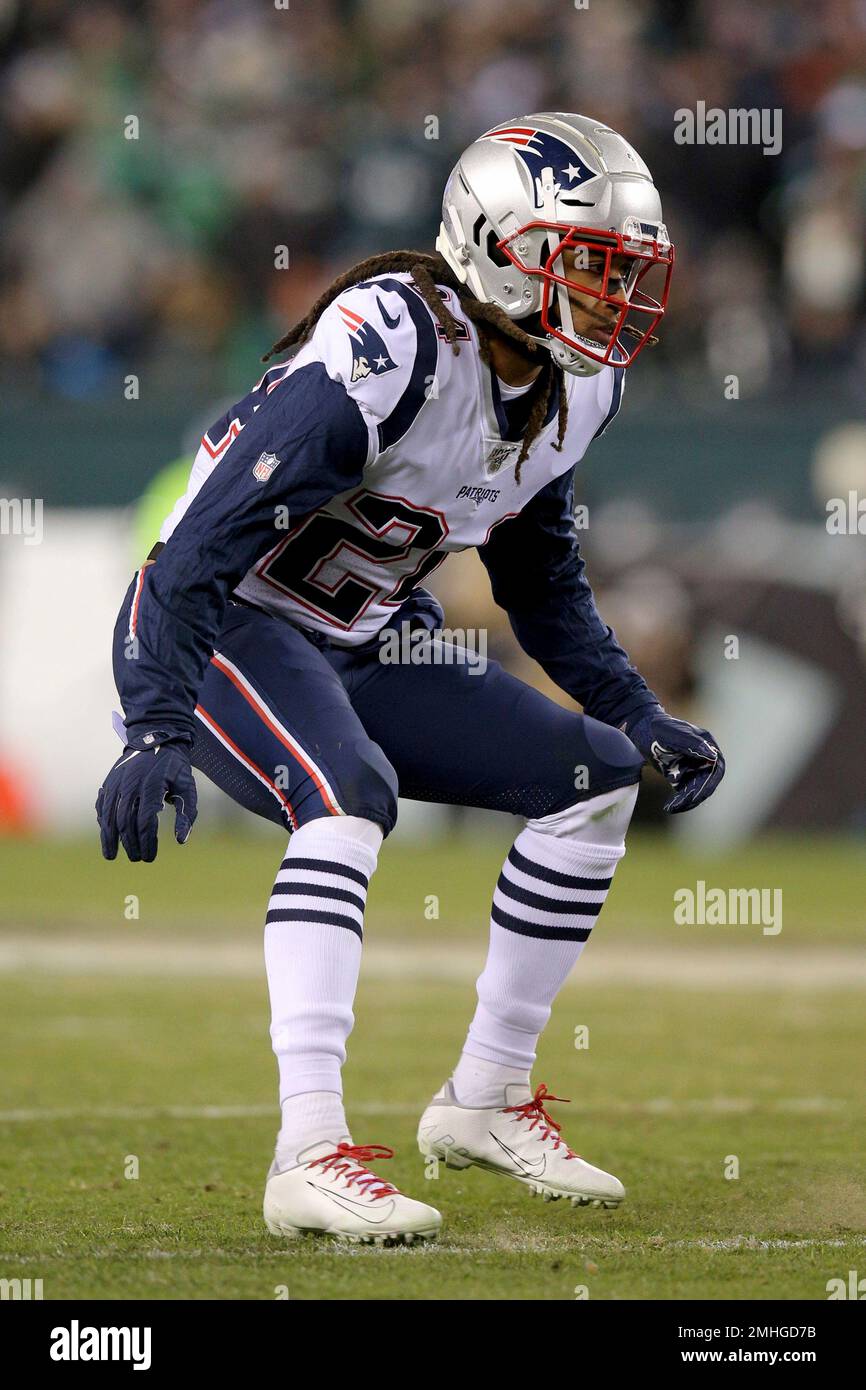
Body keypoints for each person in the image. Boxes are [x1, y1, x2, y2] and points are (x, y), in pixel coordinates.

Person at [96, 113, 725, 1245]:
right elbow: (191, 552)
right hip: (225, 619)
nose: (609, 292)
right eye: (585, 262)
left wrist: (637, 712)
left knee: (594, 781)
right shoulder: (393, 341)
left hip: (367, 632)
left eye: (621, 268)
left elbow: (542, 585)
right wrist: (150, 721)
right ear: (495, 244)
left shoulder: (572, 388)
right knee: (345, 797)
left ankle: (483, 1095)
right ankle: (308, 1153)